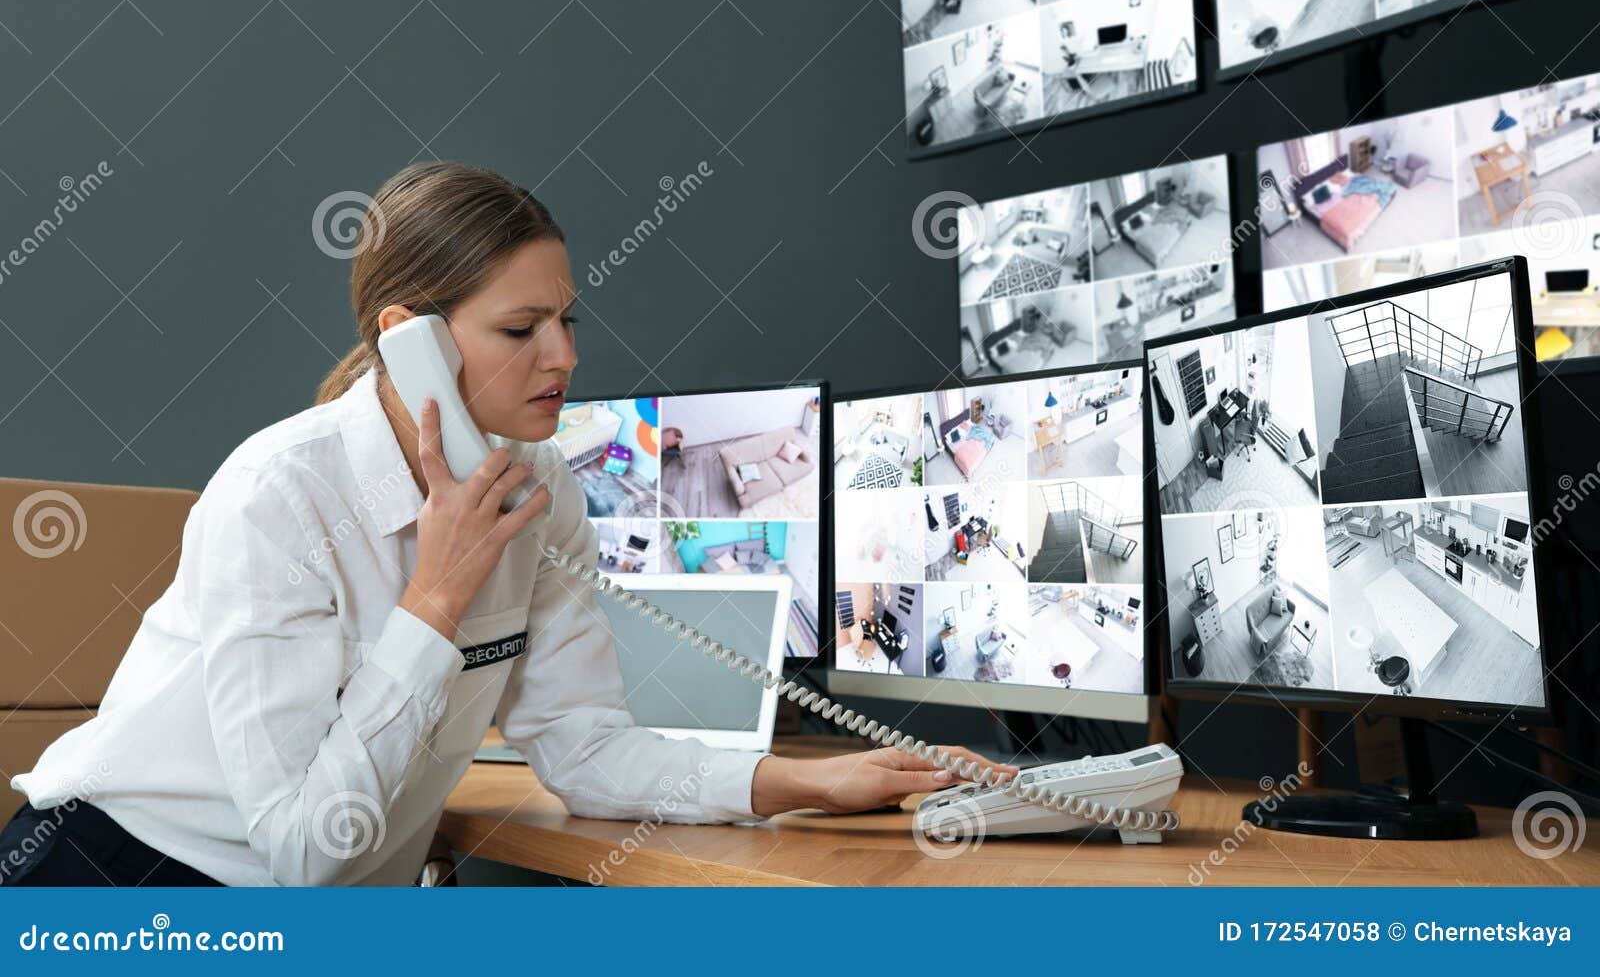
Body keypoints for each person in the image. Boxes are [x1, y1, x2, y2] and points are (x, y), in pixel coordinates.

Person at [2, 162, 1013, 887]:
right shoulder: (279, 492)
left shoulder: (541, 487)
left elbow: (582, 748)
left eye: (568, 319)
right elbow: (305, 849)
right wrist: (434, 598)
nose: (563, 357)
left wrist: (799, 780)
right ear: (410, 342)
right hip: (123, 874)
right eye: (520, 329)